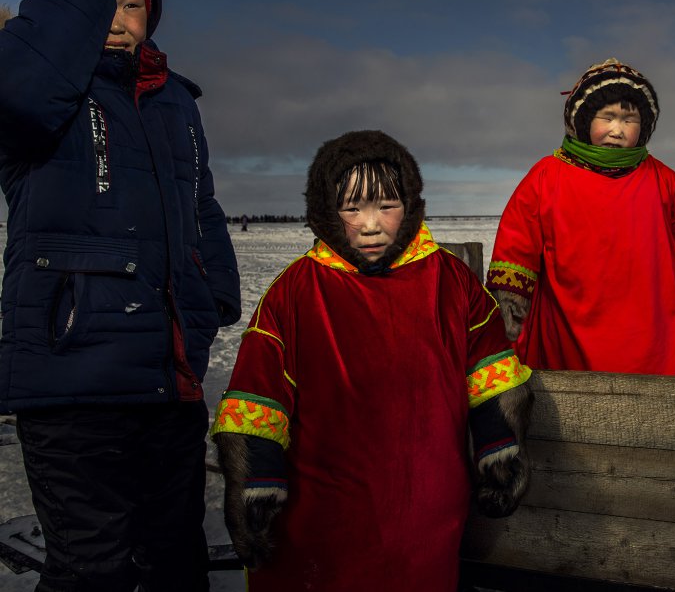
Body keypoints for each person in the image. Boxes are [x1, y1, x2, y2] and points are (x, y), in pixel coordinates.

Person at [0, 0, 241, 589]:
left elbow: (202, 207)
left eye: (128, 1)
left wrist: (212, 295)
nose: (113, 14)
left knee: (174, 559)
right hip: (74, 379)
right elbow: (18, 97)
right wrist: (65, 3)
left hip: (169, 380)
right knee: (91, 568)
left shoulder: (174, 101)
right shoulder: (39, 84)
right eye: (93, 1)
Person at [211, 130, 533, 591]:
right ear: (326, 210)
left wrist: (500, 452)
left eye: (386, 205)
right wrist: (252, 486)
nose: (370, 224)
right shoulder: (296, 292)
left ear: (411, 203)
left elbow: (493, 375)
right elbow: (259, 399)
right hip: (323, 520)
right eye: (351, 207)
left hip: (426, 511)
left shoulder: (451, 281)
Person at [487, 58, 675, 376]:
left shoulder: (665, 179)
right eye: (607, 117)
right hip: (568, 319)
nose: (617, 130)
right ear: (582, 119)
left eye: (629, 119)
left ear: (644, 126)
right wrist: (511, 308)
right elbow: (516, 243)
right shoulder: (546, 176)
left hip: (651, 323)